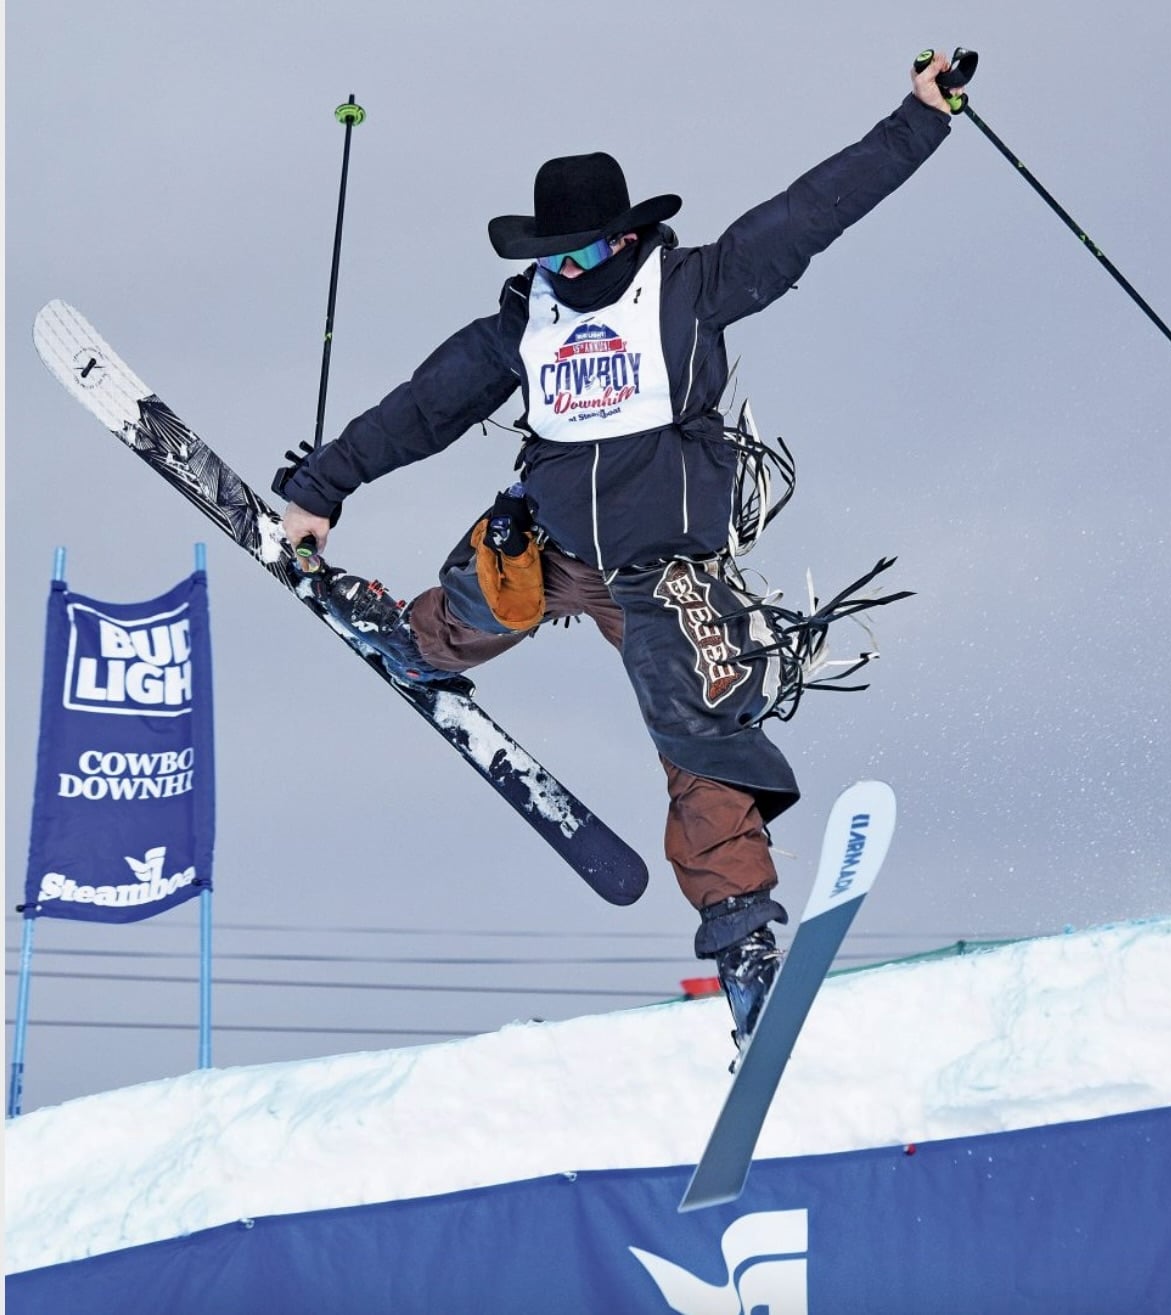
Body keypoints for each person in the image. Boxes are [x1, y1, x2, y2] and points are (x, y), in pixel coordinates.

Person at [279, 53, 961, 1049]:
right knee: (492, 577)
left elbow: (819, 207)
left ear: (629, 235)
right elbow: (427, 406)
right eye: (550, 258)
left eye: (581, 253)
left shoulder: (696, 287)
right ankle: (411, 640)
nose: (564, 274)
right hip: (562, 542)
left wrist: (919, 116)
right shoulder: (527, 322)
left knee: (696, 725)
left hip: (666, 565)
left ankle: (743, 939)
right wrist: (320, 487)